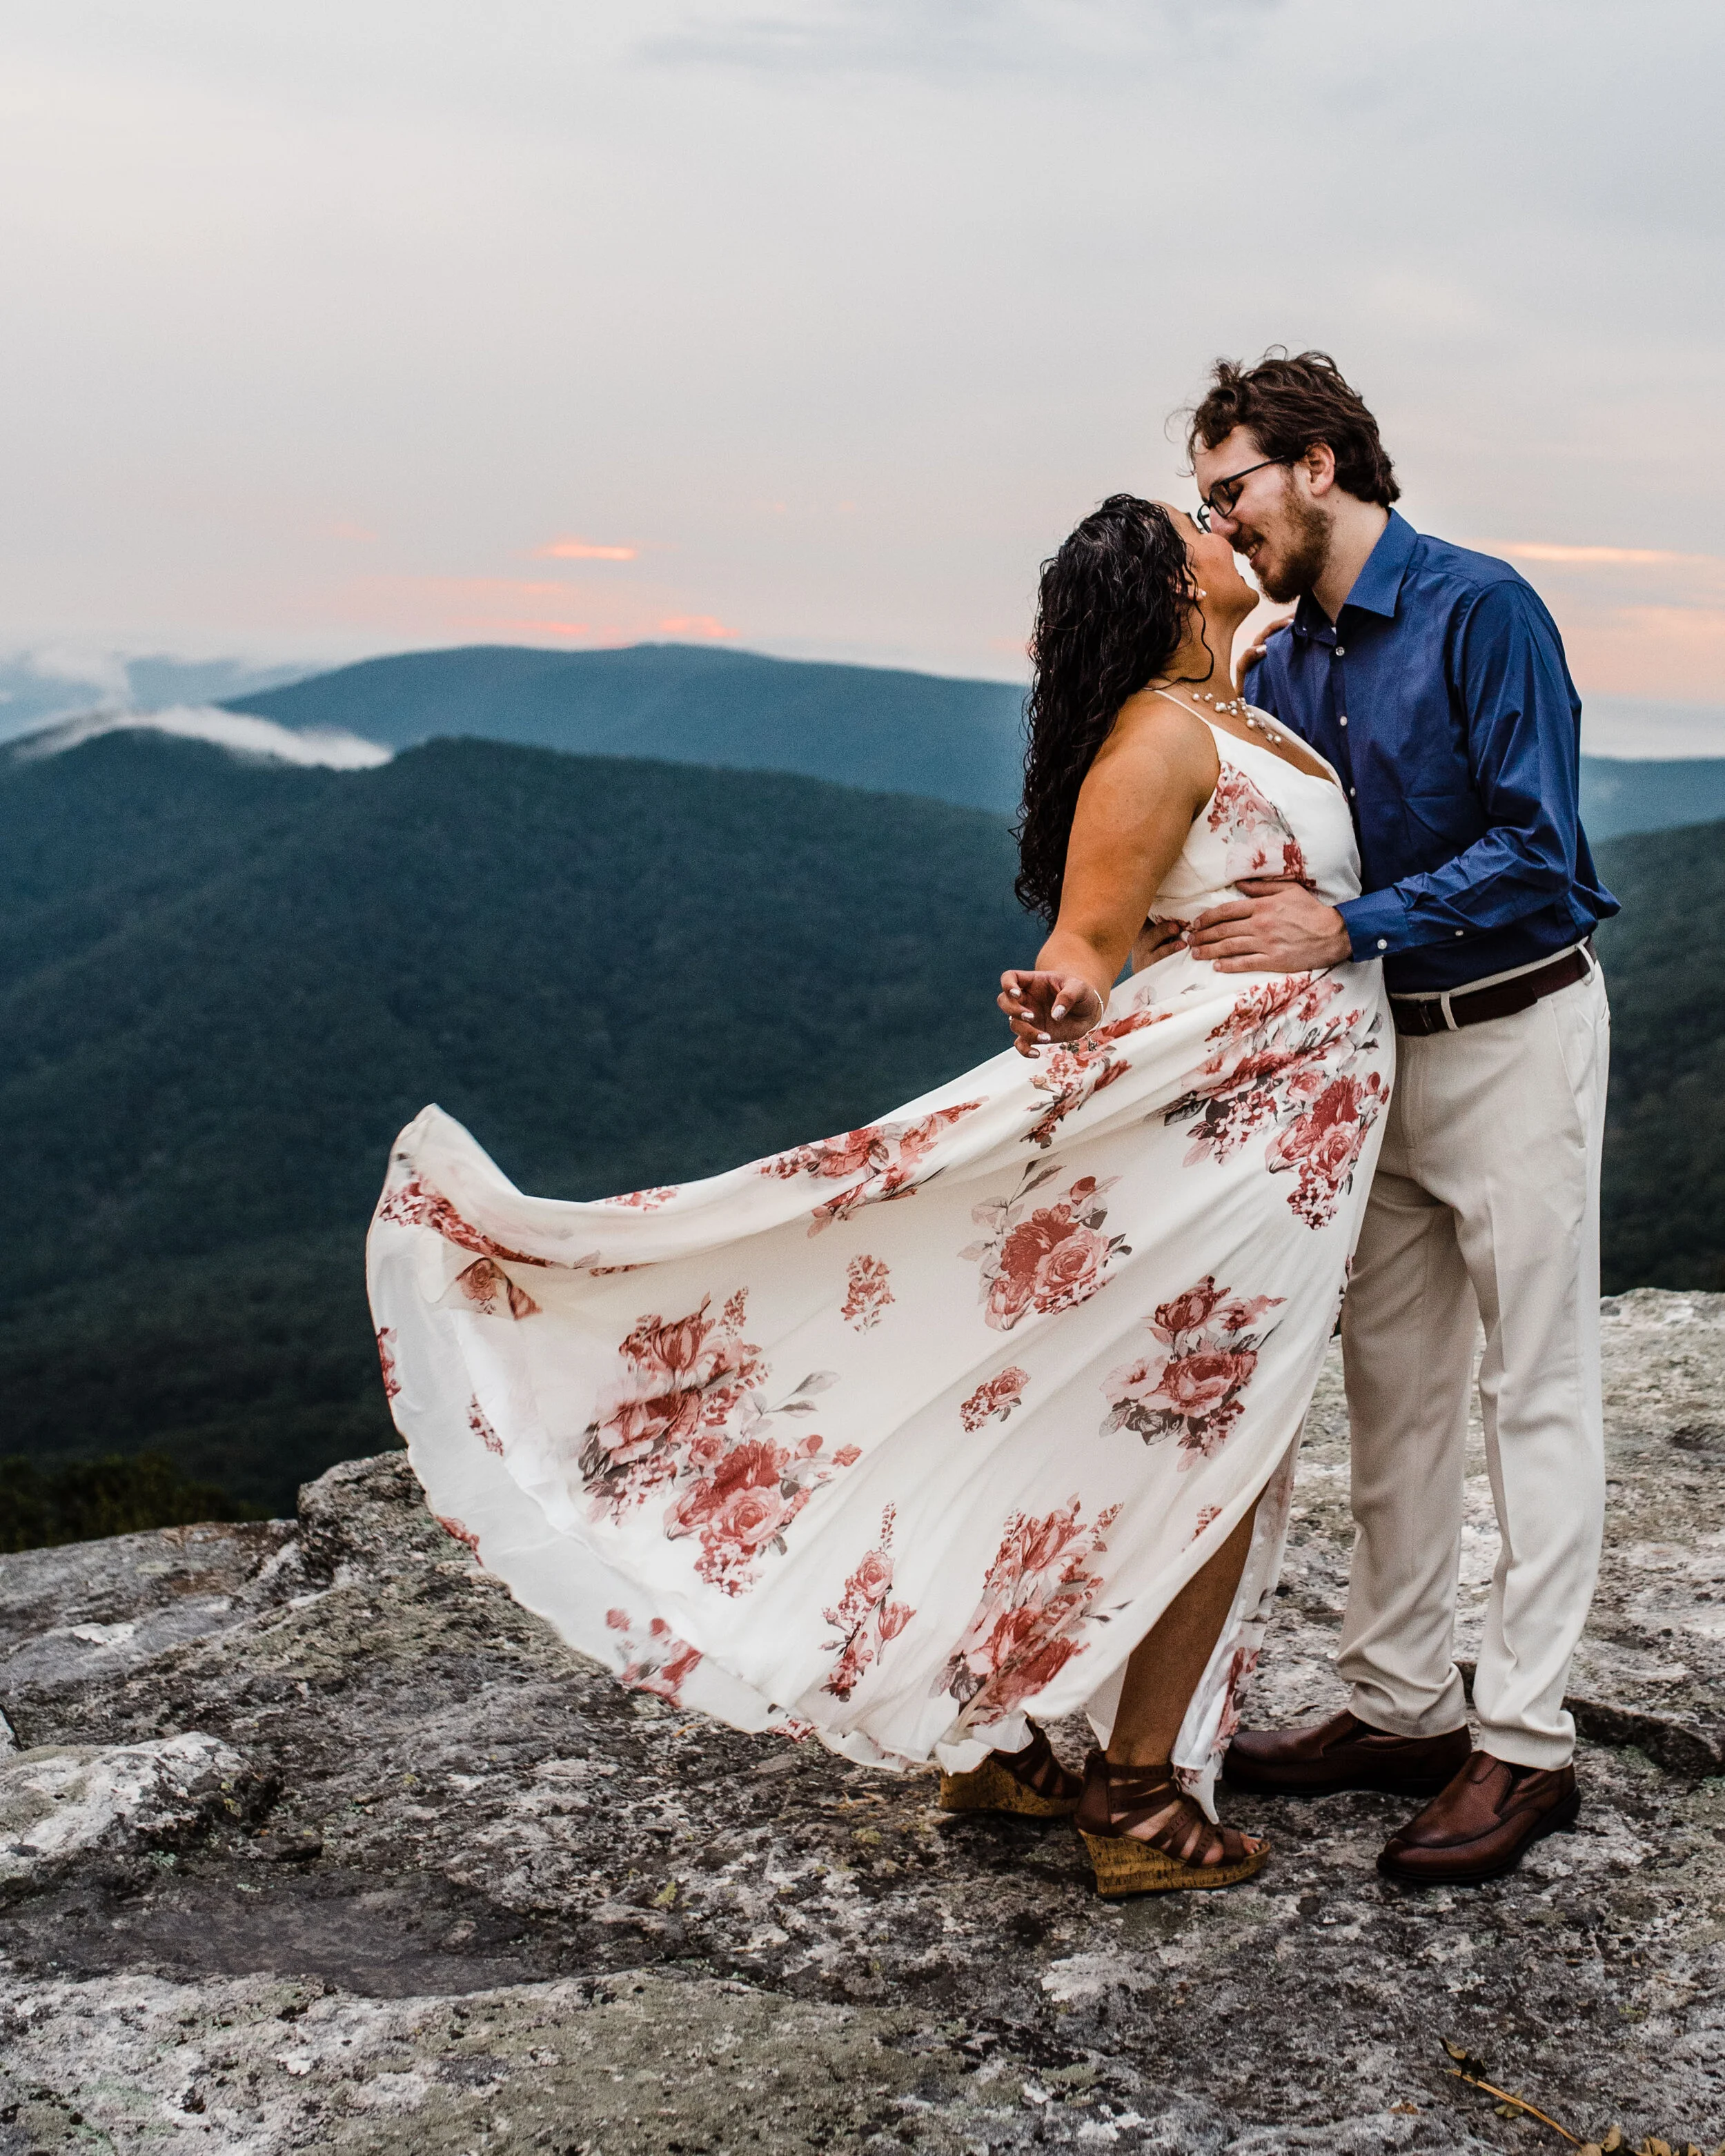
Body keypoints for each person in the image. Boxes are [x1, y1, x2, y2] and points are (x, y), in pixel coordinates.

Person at [368, 493, 1390, 1899]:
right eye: (1191, 526)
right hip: (1229, 1127)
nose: (1222, 530)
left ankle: (1022, 1732)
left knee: (1123, 1412)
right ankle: (1137, 1792)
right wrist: (1066, 989)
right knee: (1215, 1430)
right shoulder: (1161, 731)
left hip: (1290, 1116)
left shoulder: (1252, 710)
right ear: (1165, 586)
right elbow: (1087, 936)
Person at [1183, 350, 1617, 1886]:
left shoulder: (1478, 606)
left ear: (1312, 463)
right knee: (1394, 1385)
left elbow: (1542, 852)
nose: (1220, 525)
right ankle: (1397, 1702)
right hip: (1372, 1058)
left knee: (1536, 1385)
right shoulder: (1283, 667)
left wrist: (1347, 921)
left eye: (1227, 489)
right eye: (1204, 503)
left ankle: (1523, 1741)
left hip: (1512, 1031)